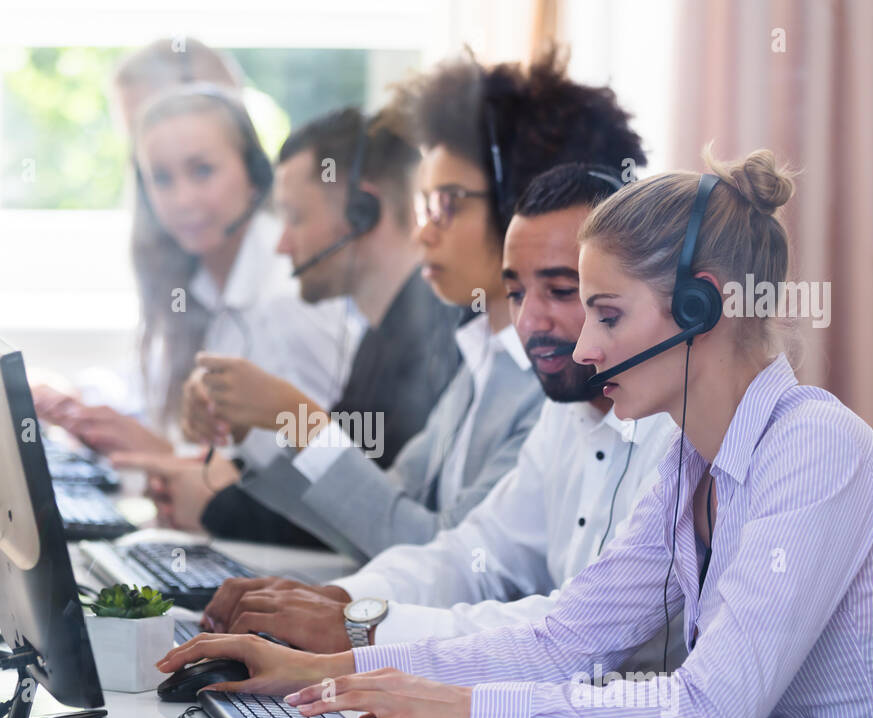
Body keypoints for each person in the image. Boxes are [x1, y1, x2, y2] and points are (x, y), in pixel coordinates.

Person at [162, 149, 873, 718]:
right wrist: (334, 674)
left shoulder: (817, 450)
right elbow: (564, 640)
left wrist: (462, 709)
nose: (585, 349)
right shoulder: (691, 466)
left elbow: (708, 714)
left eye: (607, 314)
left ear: (700, 306)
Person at [205, 164, 676, 665]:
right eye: (515, 293)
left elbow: (584, 630)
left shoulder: (673, 434)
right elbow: (470, 555)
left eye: (561, 291)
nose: (528, 322)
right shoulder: (557, 408)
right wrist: (343, 600)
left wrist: (361, 626)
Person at [116, 107, 464, 543]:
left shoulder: (438, 342)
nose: (282, 245)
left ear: (363, 212)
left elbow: (382, 521)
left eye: (295, 218)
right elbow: (338, 488)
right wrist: (240, 452)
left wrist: (282, 422)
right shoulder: (380, 337)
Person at [34, 82, 359, 457]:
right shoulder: (203, 279)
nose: (183, 200)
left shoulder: (287, 298)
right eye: (162, 178)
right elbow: (150, 380)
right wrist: (74, 398)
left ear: (255, 176)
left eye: (202, 171)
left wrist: (165, 457)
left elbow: (327, 460)